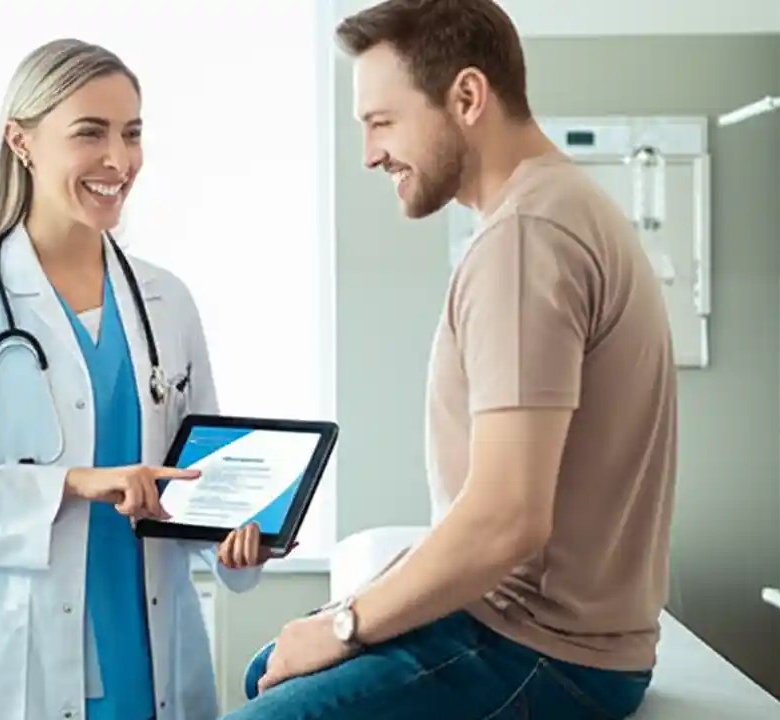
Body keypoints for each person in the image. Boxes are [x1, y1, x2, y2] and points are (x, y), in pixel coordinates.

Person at [226, 1, 677, 718]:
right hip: (534, 629)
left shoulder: (526, 237)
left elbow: (507, 518)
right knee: (267, 667)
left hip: (541, 651)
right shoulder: (557, 206)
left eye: (382, 122)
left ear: (467, 97)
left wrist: (345, 625)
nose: (370, 154)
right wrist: (349, 612)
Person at [0, 38, 273, 720]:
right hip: (14, 668)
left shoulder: (165, 301)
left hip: (148, 650)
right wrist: (70, 484)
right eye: (90, 133)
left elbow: (197, 475)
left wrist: (237, 539)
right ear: (21, 141)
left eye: (131, 133)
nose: (118, 160)